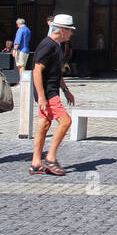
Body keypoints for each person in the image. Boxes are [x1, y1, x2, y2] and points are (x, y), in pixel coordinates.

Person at [30, 14, 76, 176]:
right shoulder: (48, 45)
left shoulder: (56, 46)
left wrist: (66, 90)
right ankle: (50, 157)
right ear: (62, 30)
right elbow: (36, 70)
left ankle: (36, 163)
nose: (71, 33)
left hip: (50, 91)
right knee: (66, 122)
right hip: (48, 93)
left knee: (43, 126)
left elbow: (56, 72)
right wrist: (42, 96)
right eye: (69, 30)